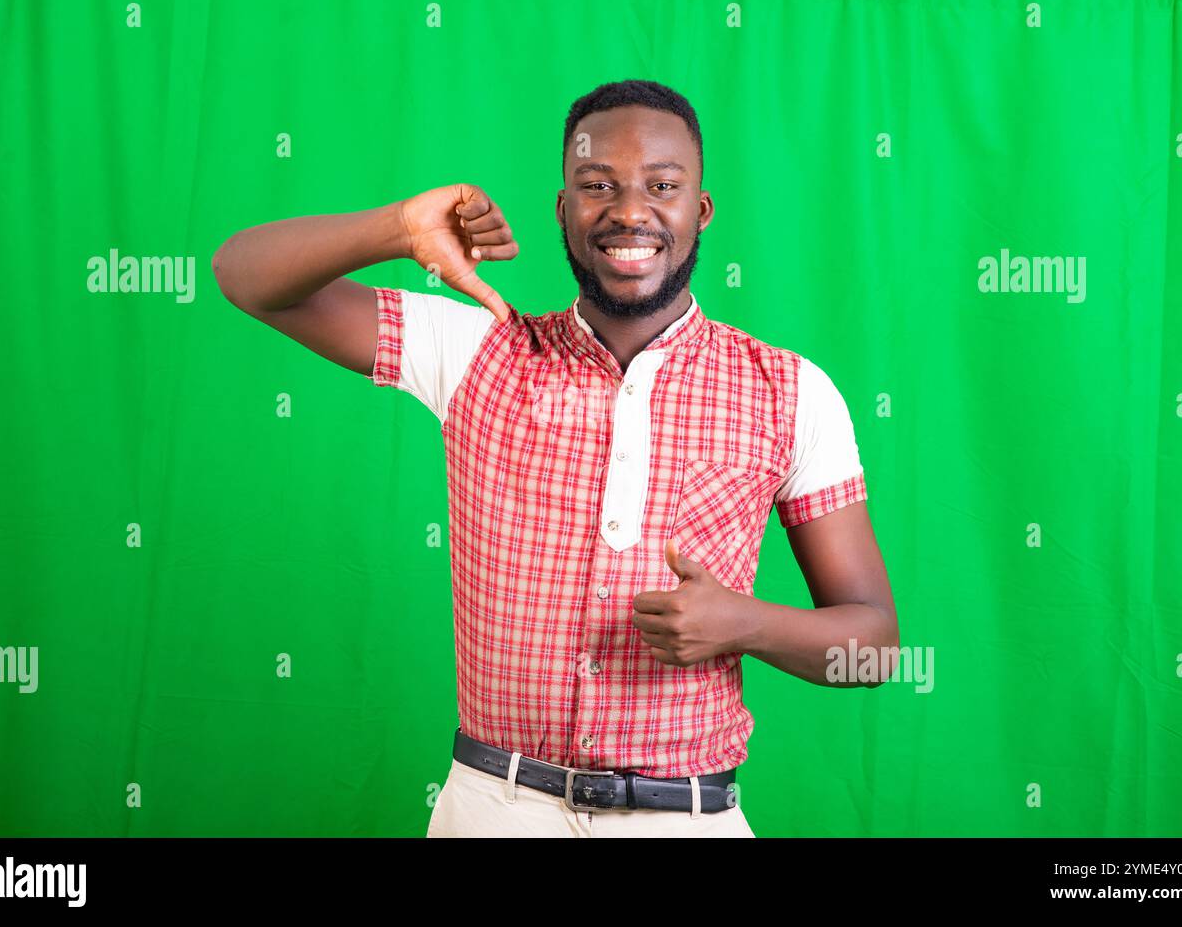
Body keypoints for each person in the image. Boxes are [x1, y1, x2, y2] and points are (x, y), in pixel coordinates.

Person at [213, 79, 897, 838]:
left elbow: (871, 649)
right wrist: (401, 228)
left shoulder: (792, 391)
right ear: (563, 211)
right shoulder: (479, 349)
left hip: (689, 818)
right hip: (494, 807)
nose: (630, 211)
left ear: (699, 211)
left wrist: (747, 624)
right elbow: (246, 276)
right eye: (596, 186)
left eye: (662, 186)